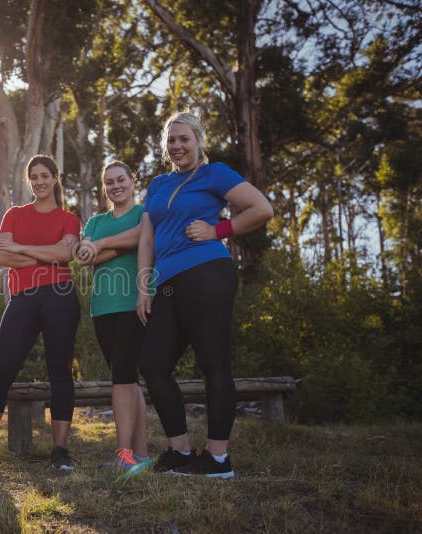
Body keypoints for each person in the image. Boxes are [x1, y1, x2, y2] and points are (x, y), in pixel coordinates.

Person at [137, 112, 273, 479]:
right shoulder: (158, 184)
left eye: (184, 139)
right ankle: (180, 451)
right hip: (166, 282)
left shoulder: (215, 174)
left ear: (199, 141)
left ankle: (217, 459)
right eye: (172, 141)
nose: (178, 146)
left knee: (213, 363)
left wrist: (219, 230)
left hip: (207, 273)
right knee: (152, 363)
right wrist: (143, 287)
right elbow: (147, 239)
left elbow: (262, 208)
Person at [0, 154, 81, 471]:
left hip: (60, 296)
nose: (40, 181)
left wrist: (23, 248)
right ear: (29, 181)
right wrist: (48, 256)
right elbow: (1, 256)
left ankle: (59, 451)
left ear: (56, 178)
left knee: (60, 371)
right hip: (23, 297)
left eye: (45, 175)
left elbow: (65, 253)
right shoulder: (14, 214)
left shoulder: (69, 219)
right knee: (0, 370)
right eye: (34, 177)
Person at [76, 160, 150, 474]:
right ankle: (141, 455)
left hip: (133, 303)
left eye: (121, 180)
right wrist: (124, 245)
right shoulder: (95, 220)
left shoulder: (144, 214)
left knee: (122, 376)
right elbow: (83, 257)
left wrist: (104, 246)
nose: (115, 186)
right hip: (102, 308)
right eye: (109, 182)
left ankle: (125, 455)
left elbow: (142, 239)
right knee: (128, 380)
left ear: (132, 181)